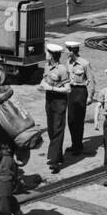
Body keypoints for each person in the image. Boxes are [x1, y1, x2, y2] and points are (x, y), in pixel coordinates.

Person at [39, 42, 71, 173]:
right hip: (49, 100)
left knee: (58, 129)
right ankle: (58, 155)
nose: (45, 54)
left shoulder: (62, 69)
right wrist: (41, 84)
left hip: (59, 101)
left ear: (52, 55)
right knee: (51, 129)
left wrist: (51, 88)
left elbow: (68, 89)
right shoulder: (47, 66)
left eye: (47, 52)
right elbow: (44, 79)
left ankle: (54, 161)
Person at [64, 40, 94, 155]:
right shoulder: (68, 62)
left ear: (72, 51)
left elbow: (91, 80)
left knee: (79, 120)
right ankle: (74, 144)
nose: (65, 52)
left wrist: (90, 96)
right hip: (70, 92)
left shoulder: (84, 64)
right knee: (71, 120)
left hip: (81, 91)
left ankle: (78, 146)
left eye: (67, 50)